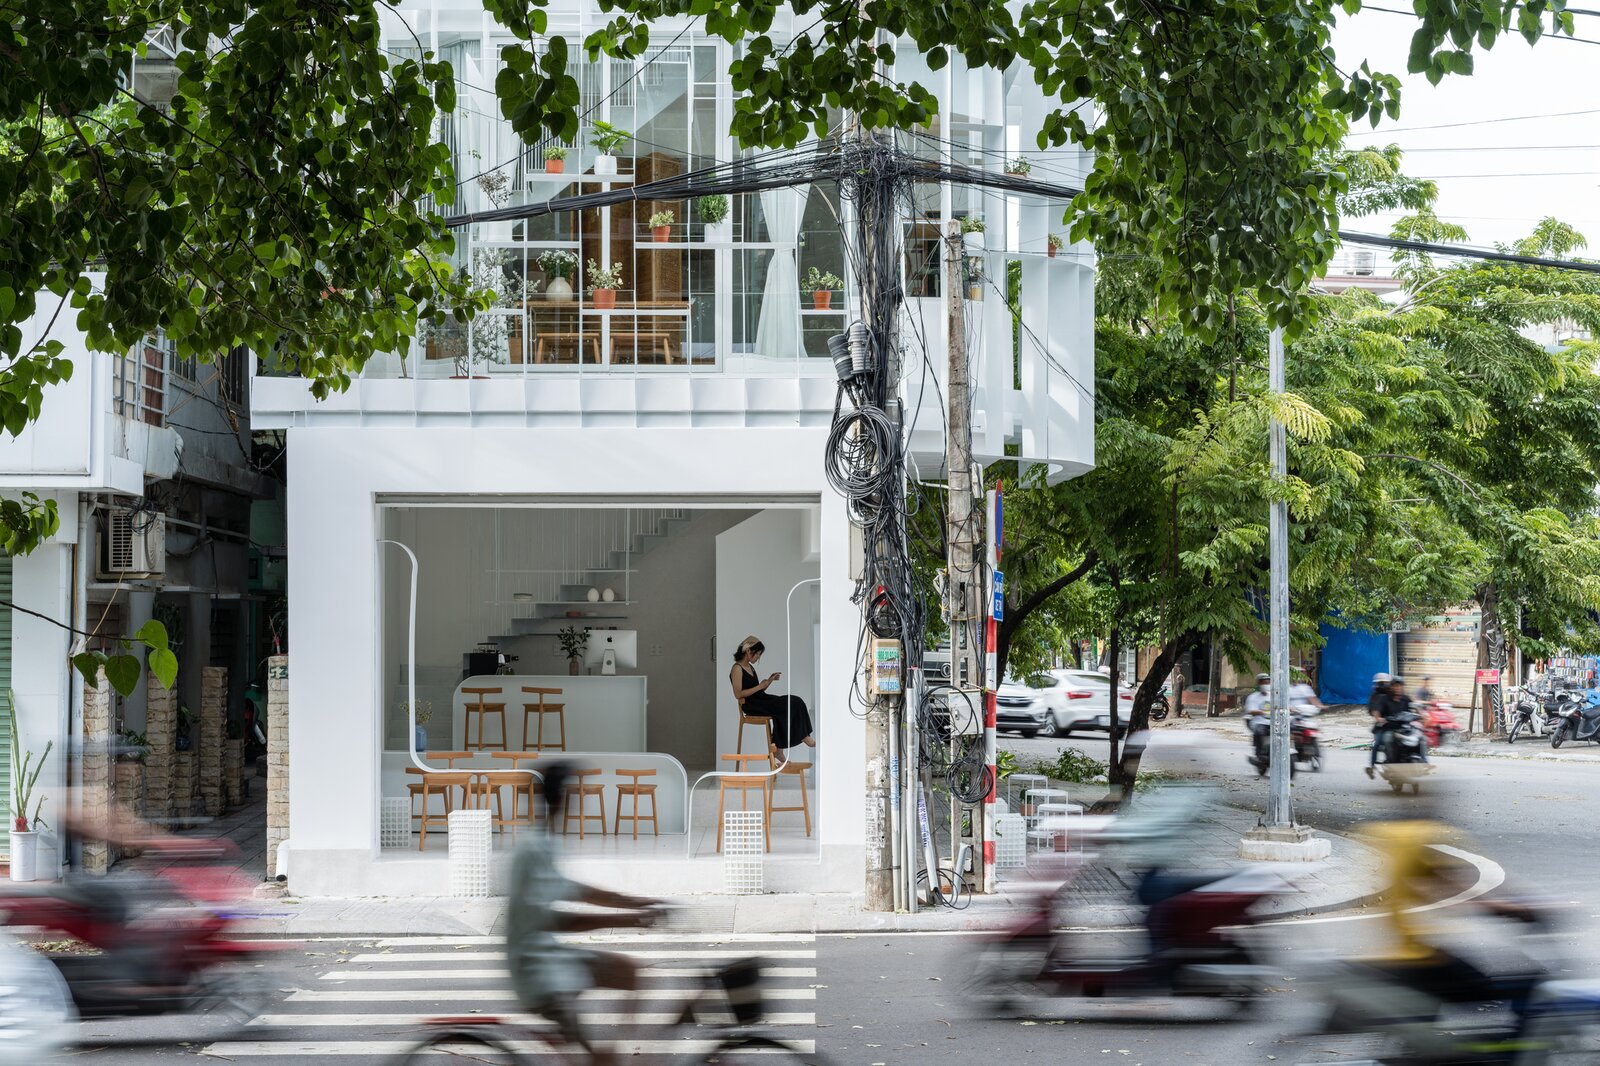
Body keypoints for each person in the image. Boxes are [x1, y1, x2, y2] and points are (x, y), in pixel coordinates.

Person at [506, 762, 660, 1065]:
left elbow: (576, 890)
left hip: (547, 956)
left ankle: (606, 1056)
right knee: (628, 972)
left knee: (628, 972)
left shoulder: (543, 840)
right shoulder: (534, 848)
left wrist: (635, 902)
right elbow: (559, 920)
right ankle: (607, 1057)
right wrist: (626, 919)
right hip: (537, 966)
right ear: (563, 797)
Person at [729, 635, 815, 756]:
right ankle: (797, 739)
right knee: (787, 704)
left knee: (795, 701)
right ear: (748, 651)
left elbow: (757, 691)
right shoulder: (737, 668)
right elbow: (738, 694)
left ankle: (792, 741)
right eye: (757, 654)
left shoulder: (750, 667)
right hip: (752, 705)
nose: (758, 657)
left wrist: (769, 681)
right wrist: (760, 686)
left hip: (761, 699)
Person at [1368, 674, 1418, 777]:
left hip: (1402, 727)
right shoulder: (1380, 697)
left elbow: (1413, 708)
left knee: (1419, 738)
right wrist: (1379, 718)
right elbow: (1375, 710)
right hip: (1385, 727)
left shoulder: (1405, 698)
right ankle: (1374, 766)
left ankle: (1419, 761)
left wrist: (1420, 714)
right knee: (1380, 743)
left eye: (1399, 686)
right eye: (1395, 685)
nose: (1397, 688)